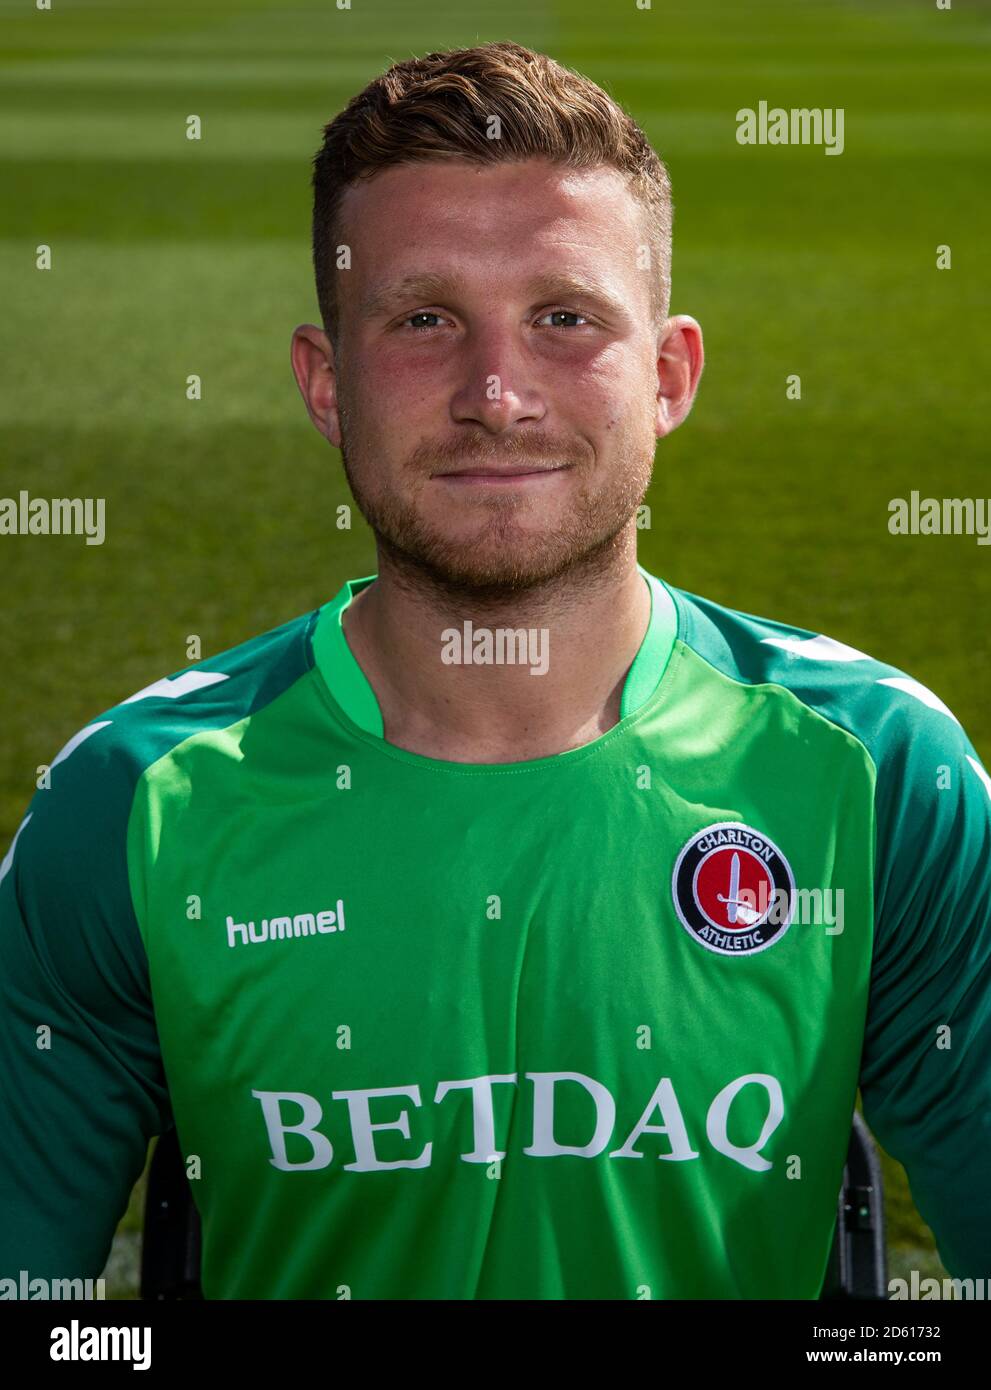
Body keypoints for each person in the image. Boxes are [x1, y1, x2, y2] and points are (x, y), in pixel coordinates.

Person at [1, 40, 988, 1300]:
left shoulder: (881, 772)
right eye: (424, 319)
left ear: (669, 375)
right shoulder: (135, 804)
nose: (496, 394)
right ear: (326, 383)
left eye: (563, 317)